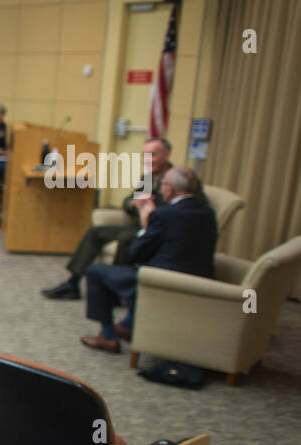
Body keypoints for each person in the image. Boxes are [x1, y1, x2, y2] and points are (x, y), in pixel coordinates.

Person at [80, 166, 217, 354]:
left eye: (163, 185)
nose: (160, 189)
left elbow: (136, 254)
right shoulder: (208, 213)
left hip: (161, 283)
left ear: (170, 189)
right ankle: (128, 324)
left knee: (97, 271)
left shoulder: (164, 215)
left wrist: (147, 218)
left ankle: (108, 336)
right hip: (198, 282)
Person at [43, 138, 175, 300]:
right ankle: (72, 283)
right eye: (144, 156)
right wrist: (134, 204)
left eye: (152, 155)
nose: (147, 160)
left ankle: (115, 289)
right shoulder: (148, 177)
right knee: (95, 232)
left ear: (166, 155)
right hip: (137, 226)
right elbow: (126, 202)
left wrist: (153, 208)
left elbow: (184, 208)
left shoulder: (177, 178)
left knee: (126, 239)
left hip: (156, 232)